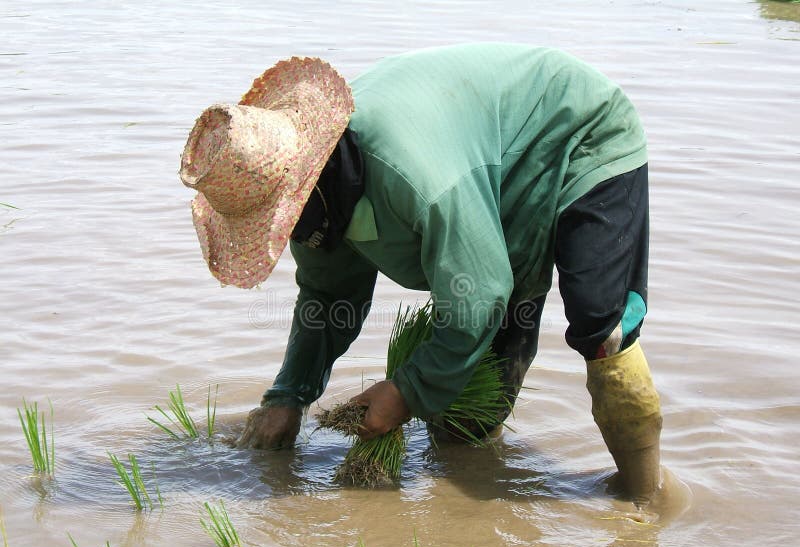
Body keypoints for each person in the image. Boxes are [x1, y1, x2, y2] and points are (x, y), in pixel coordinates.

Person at [178, 43, 663, 503]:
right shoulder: (321, 202)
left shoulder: (415, 179)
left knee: (601, 327)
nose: (284, 238)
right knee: (460, 419)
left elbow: (483, 294)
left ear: (306, 188)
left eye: (279, 223)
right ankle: (473, 486)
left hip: (578, 129)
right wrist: (289, 396)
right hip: (493, 173)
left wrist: (406, 393)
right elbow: (326, 299)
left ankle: (645, 506)